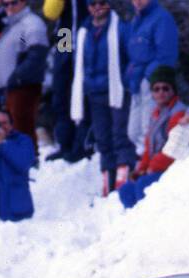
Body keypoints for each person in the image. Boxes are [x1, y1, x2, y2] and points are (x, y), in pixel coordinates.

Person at [70, 0, 135, 195]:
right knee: (102, 137)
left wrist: (125, 79)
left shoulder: (121, 27)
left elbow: (132, 57)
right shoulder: (81, 31)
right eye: (92, 4)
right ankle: (108, 178)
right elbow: (70, 54)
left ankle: (124, 177)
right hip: (94, 93)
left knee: (120, 134)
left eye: (101, 3)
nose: (97, 7)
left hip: (116, 91)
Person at [116, 65, 185, 209]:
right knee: (126, 190)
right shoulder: (156, 113)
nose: (161, 93)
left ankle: (149, 219)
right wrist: (141, 169)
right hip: (156, 168)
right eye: (156, 89)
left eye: (165, 88)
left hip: (174, 167)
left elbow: (174, 149)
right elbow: (148, 148)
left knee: (143, 185)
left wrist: (151, 168)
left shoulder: (179, 112)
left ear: (173, 90)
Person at [124, 0, 179, 151]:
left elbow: (166, 55)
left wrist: (148, 78)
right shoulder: (136, 21)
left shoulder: (161, 18)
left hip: (152, 83)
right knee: (133, 132)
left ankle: (152, 165)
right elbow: (133, 55)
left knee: (148, 130)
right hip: (136, 84)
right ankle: (145, 161)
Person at [0, 0, 49, 142]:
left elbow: (37, 55)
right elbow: (22, 46)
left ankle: (29, 160)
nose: (9, 7)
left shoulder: (31, 23)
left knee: (22, 128)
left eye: (13, 3)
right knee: (13, 129)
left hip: (23, 86)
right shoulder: (14, 25)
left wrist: (18, 76)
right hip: (10, 88)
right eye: (5, 4)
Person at [43, 0, 91, 162]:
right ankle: (64, 143)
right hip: (66, 34)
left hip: (87, 33)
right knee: (62, 90)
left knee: (82, 93)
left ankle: (81, 143)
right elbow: (50, 12)